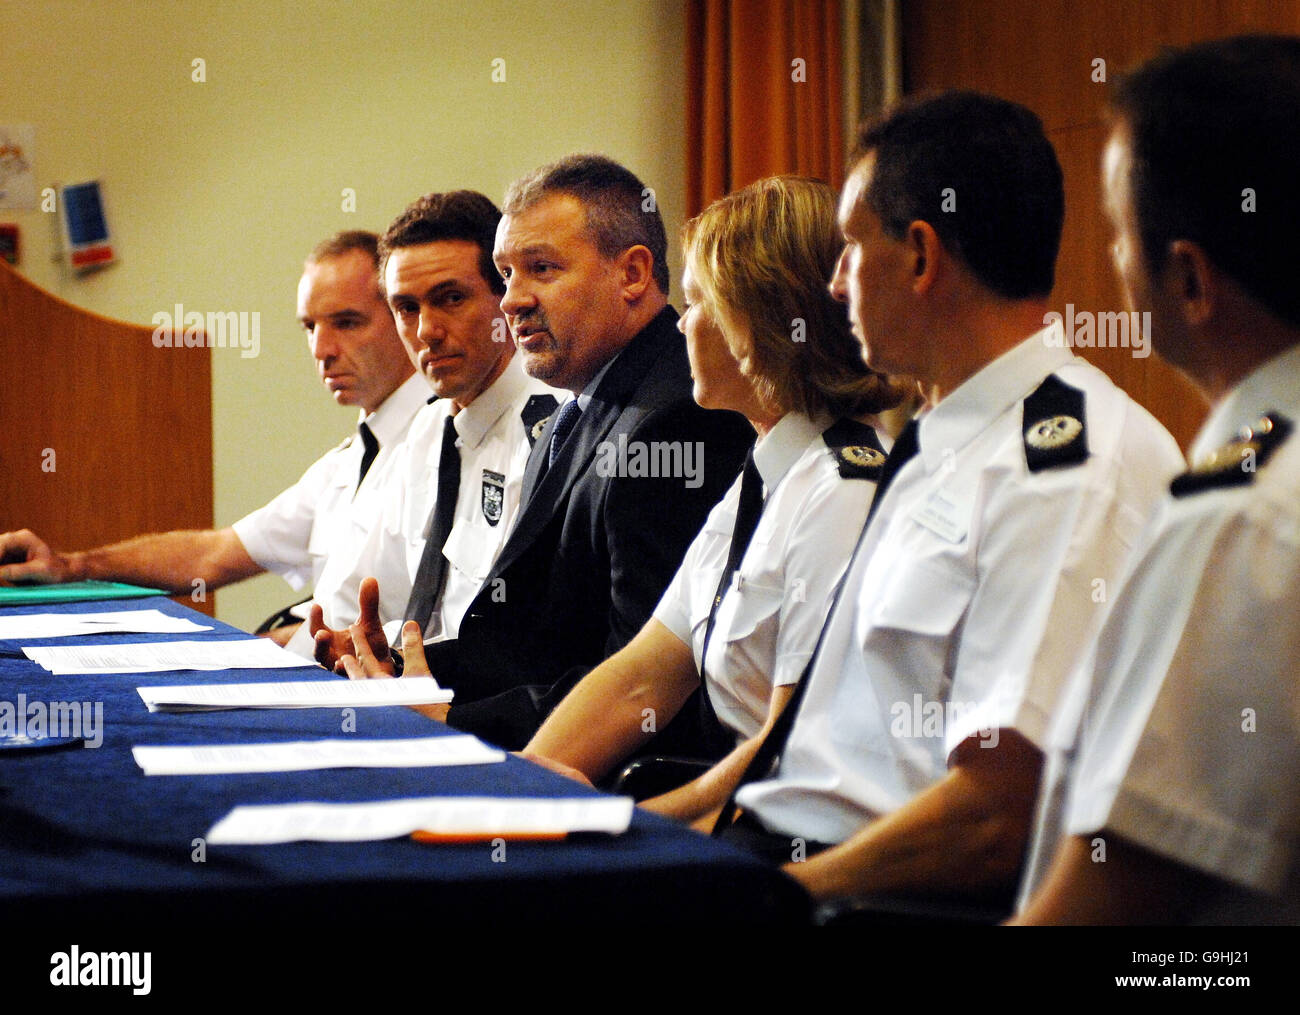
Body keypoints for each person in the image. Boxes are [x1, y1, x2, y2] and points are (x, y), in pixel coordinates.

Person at [715, 92, 1183, 904]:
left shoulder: (1066, 467)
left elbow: (995, 819)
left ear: (921, 256)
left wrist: (777, 898)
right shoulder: (939, 437)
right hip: (783, 847)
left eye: (851, 248)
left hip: (873, 895)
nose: (835, 284)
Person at [1012, 36, 1300, 925]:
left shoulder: (1239, 515)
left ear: (1189, 277)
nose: (1113, 259)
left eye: (1116, 228)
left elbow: (1109, 901)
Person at [332, 154, 755, 753]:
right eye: (506, 274)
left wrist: (449, 720)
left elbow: (646, 689)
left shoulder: (674, 420)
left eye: (541, 269)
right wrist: (406, 669)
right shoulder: (581, 408)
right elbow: (533, 645)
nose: (511, 301)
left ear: (633, 274)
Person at [522, 176, 906, 819]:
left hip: (791, 834)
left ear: (761, 319)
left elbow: (788, 754)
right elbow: (643, 674)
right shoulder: (766, 475)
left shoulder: (842, 489)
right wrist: (524, 788)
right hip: (728, 811)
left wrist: (623, 822)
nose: (682, 325)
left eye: (699, 302)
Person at [0, 232, 427, 641]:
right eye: (310, 327)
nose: (321, 349)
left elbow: (419, 625)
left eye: (346, 322)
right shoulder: (352, 459)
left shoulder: (437, 445)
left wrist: (267, 647)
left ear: (404, 319)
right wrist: (70, 566)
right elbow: (215, 555)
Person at [299, 191, 559, 661]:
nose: (426, 331)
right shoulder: (426, 430)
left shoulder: (551, 432)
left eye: (451, 299)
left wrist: (402, 662)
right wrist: (355, 643)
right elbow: (351, 600)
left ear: (505, 297)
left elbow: (520, 645)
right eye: (406, 308)